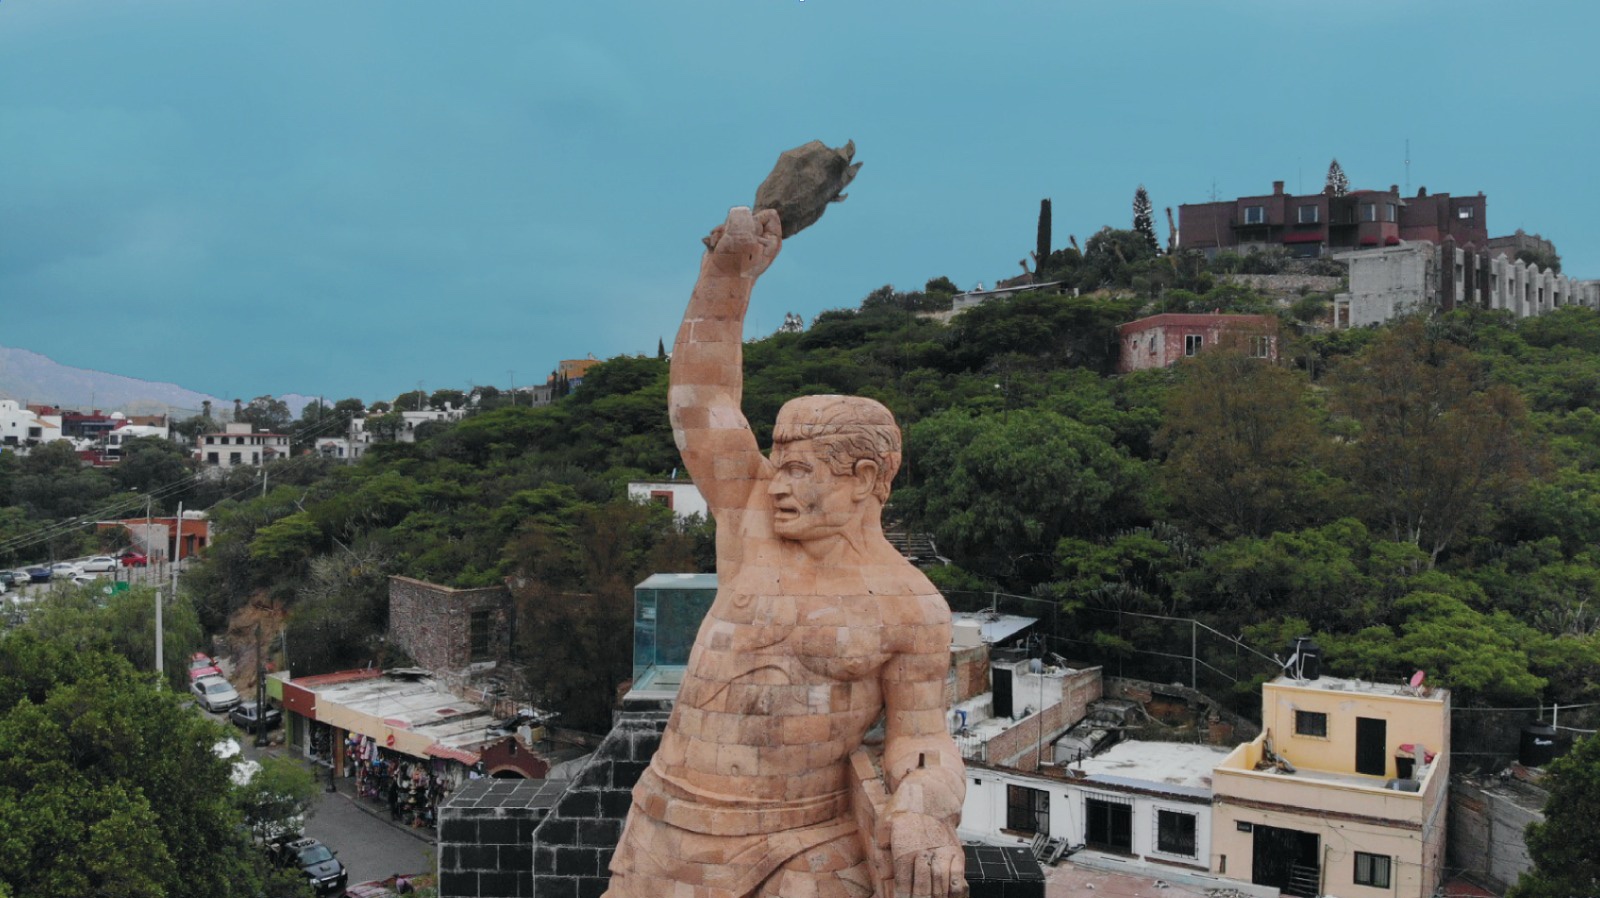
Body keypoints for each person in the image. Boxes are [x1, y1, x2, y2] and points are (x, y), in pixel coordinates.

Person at [603, 207, 966, 898]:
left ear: (863, 480)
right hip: (667, 826)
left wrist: (924, 806)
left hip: (802, 842)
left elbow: (921, 741)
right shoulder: (752, 523)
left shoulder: (914, 608)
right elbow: (702, 400)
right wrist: (726, 276)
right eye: (778, 463)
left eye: (801, 470)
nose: (779, 486)